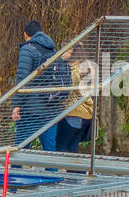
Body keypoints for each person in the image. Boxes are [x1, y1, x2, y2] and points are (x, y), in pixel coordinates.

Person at [11, 21, 68, 151]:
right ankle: (51, 172)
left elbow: (22, 78)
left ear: (26, 35)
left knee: (20, 148)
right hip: (51, 109)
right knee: (49, 151)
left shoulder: (27, 49)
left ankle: (16, 171)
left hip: (30, 110)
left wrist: (17, 105)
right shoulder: (53, 50)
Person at [54, 49, 94, 154]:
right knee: (72, 148)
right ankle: (77, 171)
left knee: (60, 146)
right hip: (86, 114)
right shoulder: (87, 66)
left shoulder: (73, 68)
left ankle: (56, 169)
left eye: (66, 50)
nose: (62, 53)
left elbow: (70, 88)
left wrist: (60, 61)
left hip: (73, 113)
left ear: (71, 53)